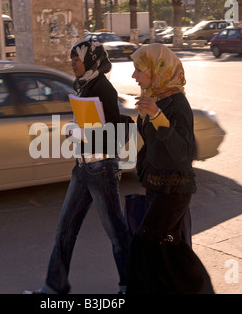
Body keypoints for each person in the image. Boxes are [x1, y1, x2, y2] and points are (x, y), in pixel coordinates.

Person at [24, 40, 130, 294]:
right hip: (82, 167)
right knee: (65, 228)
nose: (72, 63)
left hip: (101, 168)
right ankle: (53, 287)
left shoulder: (104, 89)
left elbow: (114, 134)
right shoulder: (83, 86)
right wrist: (75, 130)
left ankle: (130, 285)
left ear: (91, 60)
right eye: (71, 59)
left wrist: (82, 133)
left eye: (77, 59)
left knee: (116, 233)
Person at [128, 43, 214, 294]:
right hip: (156, 185)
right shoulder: (154, 99)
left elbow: (183, 153)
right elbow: (152, 143)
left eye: (138, 69)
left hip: (174, 188)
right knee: (169, 245)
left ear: (157, 70)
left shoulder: (176, 104)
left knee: (145, 240)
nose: (134, 76)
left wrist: (156, 116)